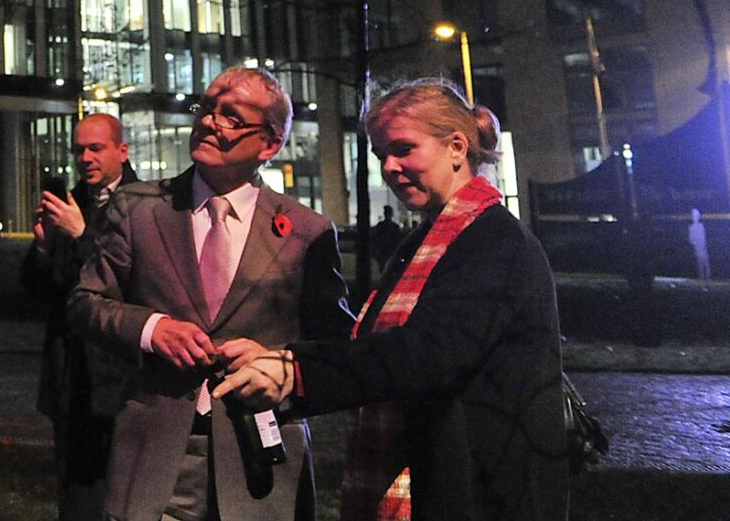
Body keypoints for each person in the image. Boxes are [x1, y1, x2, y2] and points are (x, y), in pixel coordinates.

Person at [215, 78, 568, 521]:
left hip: (483, 492)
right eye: (383, 155)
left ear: (457, 147)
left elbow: (429, 352)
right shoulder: (427, 238)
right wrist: (281, 358)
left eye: (404, 149)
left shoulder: (494, 240)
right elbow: (379, 345)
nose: (389, 167)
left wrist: (296, 371)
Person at [68, 65, 353, 521]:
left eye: (232, 117)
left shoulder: (306, 231)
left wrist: (280, 366)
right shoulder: (139, 207)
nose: (208, 122)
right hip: (155, 453)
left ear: (270, 143)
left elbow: (338, 348)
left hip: (259, 459)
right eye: (207, 109)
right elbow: (84, 303)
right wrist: (151, 329)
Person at [20, 112, 138, 520]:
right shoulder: (73, 202)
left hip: (122, 376)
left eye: (96, 148)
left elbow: (131, 284)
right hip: (71, 376)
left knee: (126, 493)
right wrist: (42, 248)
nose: (85, 157)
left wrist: (81, 235)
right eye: (79, 150)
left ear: (122, 150)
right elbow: (41, 293)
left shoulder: (148, 204)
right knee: (77, 498)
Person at [370, 205, 405, 277]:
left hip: (384, 251)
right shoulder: (394, 227)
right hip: (390, 251)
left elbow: (376, 238)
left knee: (384, 269)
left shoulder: (381, 226)